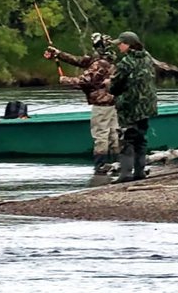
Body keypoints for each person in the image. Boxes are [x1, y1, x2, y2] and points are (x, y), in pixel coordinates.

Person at [48, 33, 119, 174]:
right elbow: (79, 61)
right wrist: (58, 54)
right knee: (113, 134)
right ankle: (118, 163)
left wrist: (65, 80)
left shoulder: (100, 64)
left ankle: (100, 166)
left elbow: (85, 81)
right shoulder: (106, 60)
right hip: (113, 104)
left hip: (102, 105)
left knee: (101, 135)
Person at [106, 31, 159, 182]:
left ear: (128, 45)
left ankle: (125, 174)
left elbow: (115, 87)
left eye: (121, 44)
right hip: (147, 106)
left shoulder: (126, 62)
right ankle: (139, 172)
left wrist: (108, 83)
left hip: (130, 106)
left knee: (127, 139)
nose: (119, 47)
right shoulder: (147, 57)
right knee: (141, 138)